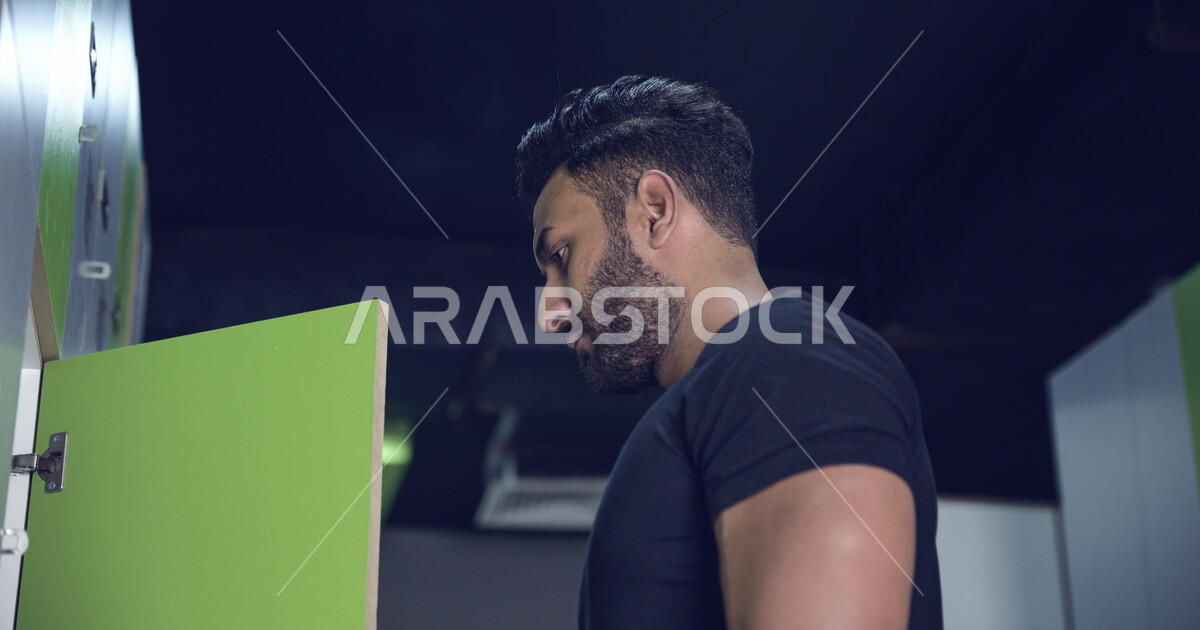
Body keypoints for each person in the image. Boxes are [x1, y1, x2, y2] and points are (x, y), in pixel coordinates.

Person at [515, 75, 942, 630]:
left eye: (561, 254)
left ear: (654, 209)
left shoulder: (785, 358)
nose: (550, 312)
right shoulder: (743, 380)